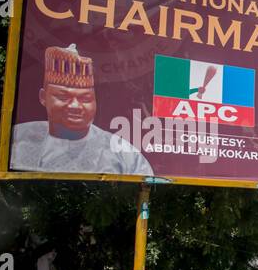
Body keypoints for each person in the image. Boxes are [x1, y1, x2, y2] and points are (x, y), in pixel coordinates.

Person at [10, 44, 152, 175]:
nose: (75, 106)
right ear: (43, 97)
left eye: (85, 99)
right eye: (63, 97)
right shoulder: (18, 137)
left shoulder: (124, 153)